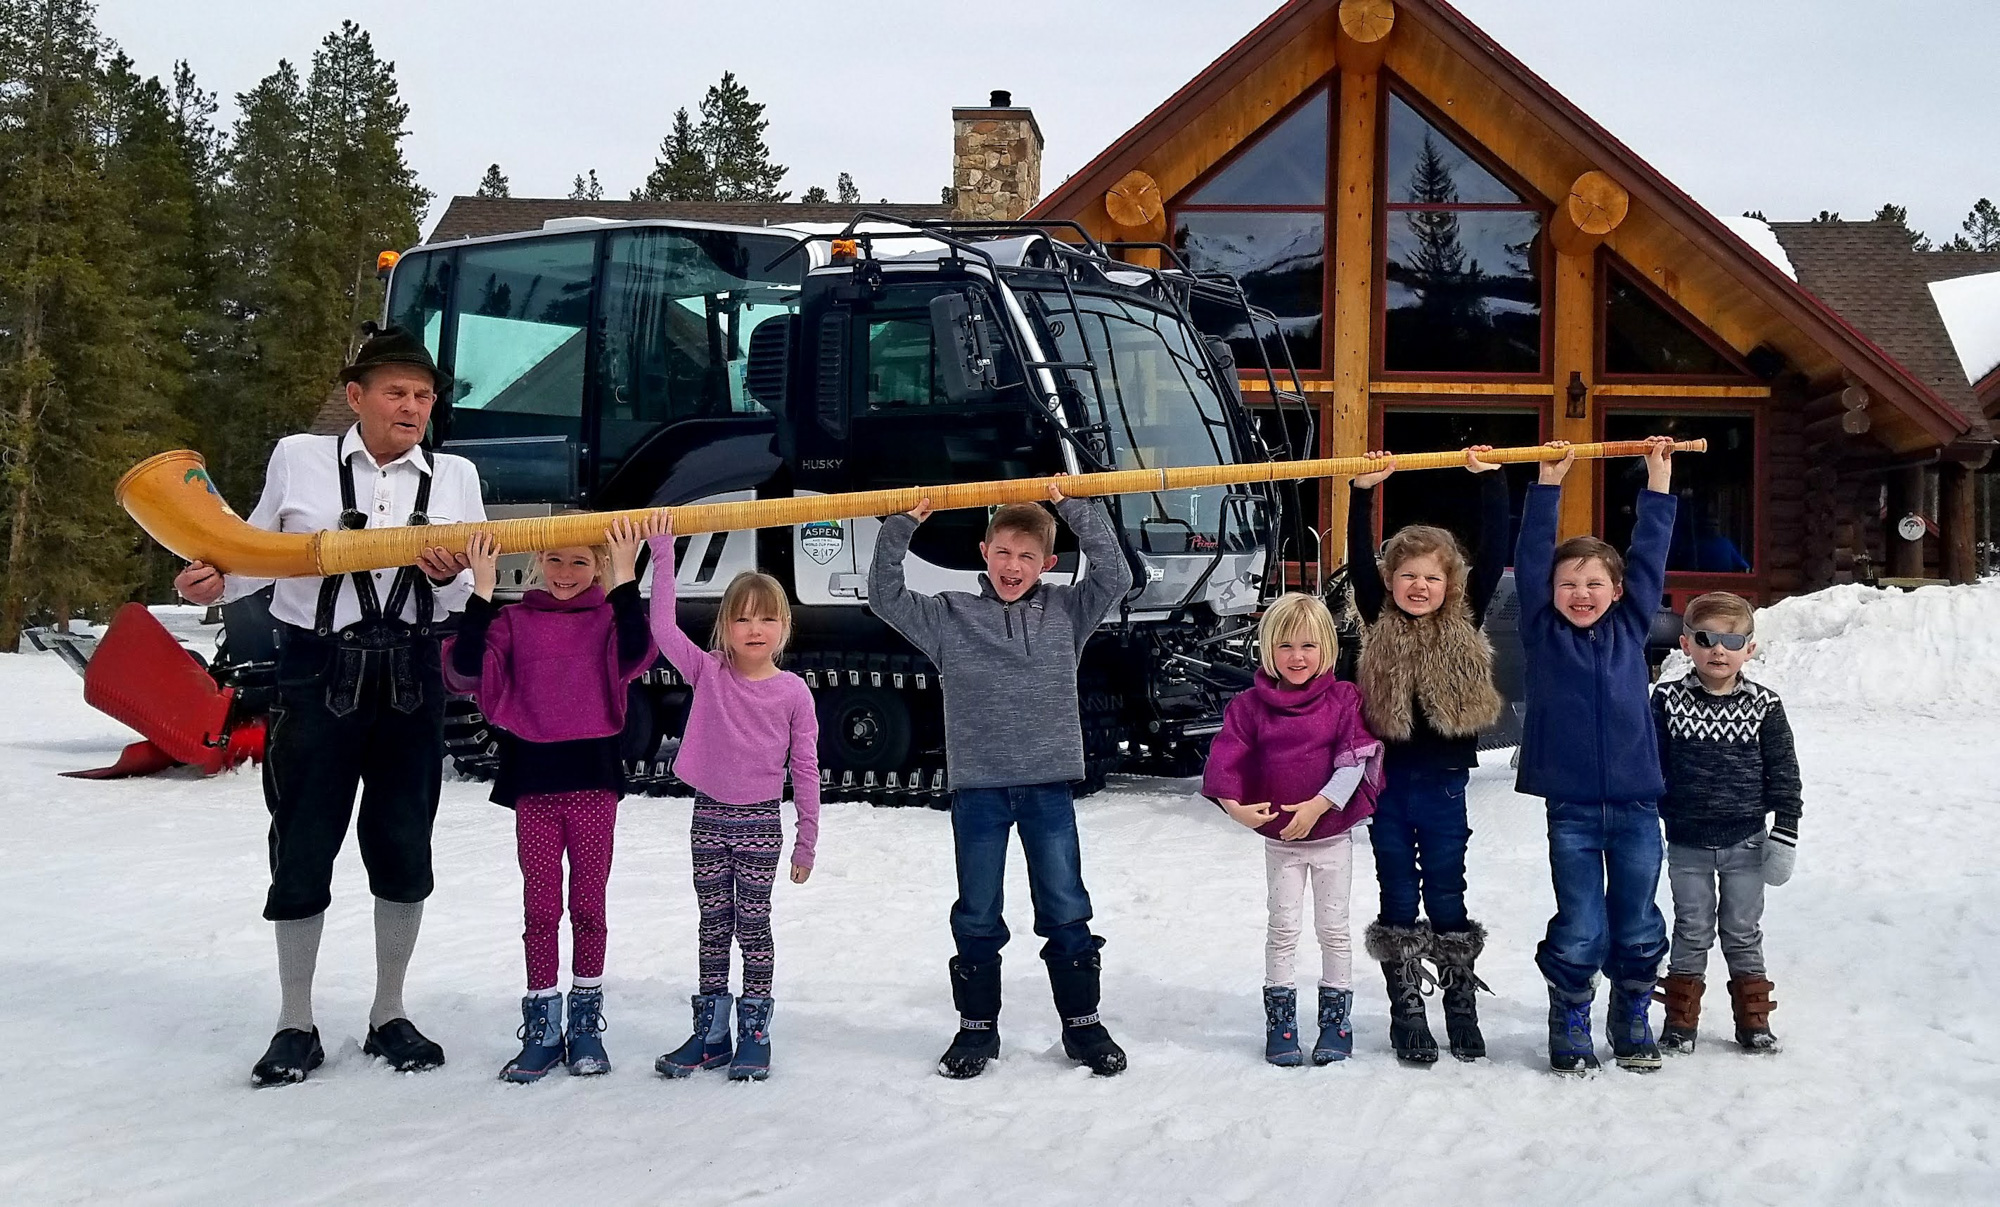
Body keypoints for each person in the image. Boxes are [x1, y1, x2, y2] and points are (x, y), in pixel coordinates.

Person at [172, 324, 487, 1087]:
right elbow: (252, 555)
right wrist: (213, 580)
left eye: (423, 394)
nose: (413, 406)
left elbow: (462, 589)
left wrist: (448, 576)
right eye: (397, 392)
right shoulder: (298, 458)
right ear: (357, 396)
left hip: (413, 673)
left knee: (405, 840)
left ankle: (389, 1010)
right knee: (304, 840)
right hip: (316, 672)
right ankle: (295, 1020)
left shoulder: (457, 476)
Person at [869, 479, 1134, 1079]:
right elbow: (885, 595)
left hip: (1047, 788)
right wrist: (901, 526)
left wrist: (1073, 507)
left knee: (1066, 905)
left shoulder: (1068, 611)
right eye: (1004, 552)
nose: (1014, 566)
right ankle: (976, 1028)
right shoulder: (949, 616)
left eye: (1028, 555)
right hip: (979, 791)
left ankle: (1082, 1024)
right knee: (978, 910)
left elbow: (1115, 576)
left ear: (1047, 562)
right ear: (984, 551)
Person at [443, 521, 658, 1081]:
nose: (566, 574)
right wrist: (482, 592)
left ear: (597, 566)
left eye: (580, 562)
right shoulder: (515, 621)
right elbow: (466, 667)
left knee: (589, 907)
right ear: (538, 560)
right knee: (540, 910)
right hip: (535, 785)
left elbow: (638, 650)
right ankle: (542, 1027)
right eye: (556, 561)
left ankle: (585, 1026)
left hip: (592, 783)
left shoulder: (608, 619)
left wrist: (625, 577)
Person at [1514, 436, 1677, 1074]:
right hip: (1573, 810)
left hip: (1639, 805)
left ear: (1615, 591)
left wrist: (1657, 483)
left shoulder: (1632, 626)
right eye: (1567, 583)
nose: (1579, 593)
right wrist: (1547, 485)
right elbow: (1530, 559)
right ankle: (1572, 1009)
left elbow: (1649, 558)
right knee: (1582, 923)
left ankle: (1632, 1007)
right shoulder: (1542, 632)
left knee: (1636, 920)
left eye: (1593, 583)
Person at [1346, 447, 1509, 1063]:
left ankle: (1459, 1003)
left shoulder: (1467, 616)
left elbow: (1495, 550)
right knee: (1396, 892)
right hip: (1387, 782)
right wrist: (1364, 491)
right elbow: (1360, 556)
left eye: (1432, 577)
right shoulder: (1374, 611)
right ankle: (1406, 1008)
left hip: (1443, 782)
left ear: (1452, 585)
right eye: (1408, 575)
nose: (1420, 586)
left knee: (1446, 888)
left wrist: (1491, 482)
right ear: (1391, 582)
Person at [647, 518, 820, 1083]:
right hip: (708, 818)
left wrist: (807, 840)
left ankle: (755, 1029)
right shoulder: (708, 671)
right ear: (724, 625)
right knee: (712, 923)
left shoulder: (792, 692)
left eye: (767, 617)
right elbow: (663, 627)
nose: (754, 628)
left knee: (753, 923)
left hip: (760, 825)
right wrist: (664, 552)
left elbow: (806, 768)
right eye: (742, 617)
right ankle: (710, 1030)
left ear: (784, 626)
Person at [1202, 593, 1382, 1068]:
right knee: (1282, 928)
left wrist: (1319, 805)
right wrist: (1235, 807)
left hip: (1332, 840)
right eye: (1284, 646)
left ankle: (1335, 1022)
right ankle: (1280, 1022)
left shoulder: (1344, 699)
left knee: (1333, 930)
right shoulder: (1249, 706)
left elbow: (1354, 759)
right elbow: (1227, 757)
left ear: (1325, 647)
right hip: (1280, 843)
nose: (1296, 657)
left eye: (1307, 645)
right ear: (1267, 648)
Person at [1651, 591, 1801, 1055]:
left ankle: (1753, 1020)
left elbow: (1784, 770)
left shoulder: (1765, 706)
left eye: (1732, 640)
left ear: (1750, 648)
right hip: (1688, 843)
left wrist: (1785, 831)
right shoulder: (1666, 700)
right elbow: (1651, 764)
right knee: (1692, 927)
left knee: (1741, 928)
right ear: (1685, 645)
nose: (1719, 649)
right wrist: (1653, 813)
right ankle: (1680, 1020)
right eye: (1707, 638)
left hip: (1747, 841)